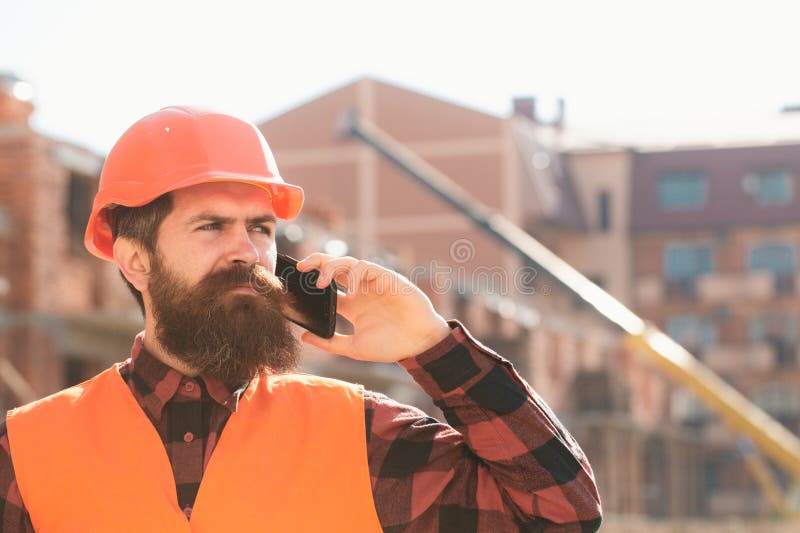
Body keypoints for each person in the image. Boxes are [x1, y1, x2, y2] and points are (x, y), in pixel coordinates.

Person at [0, 106, 601, 532]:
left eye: (261, 229)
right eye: (211, 226)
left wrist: (432, 345)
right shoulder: (28, 452)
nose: (247, 251)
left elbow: (560, 513)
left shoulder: (361, 437)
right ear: (136, 260)